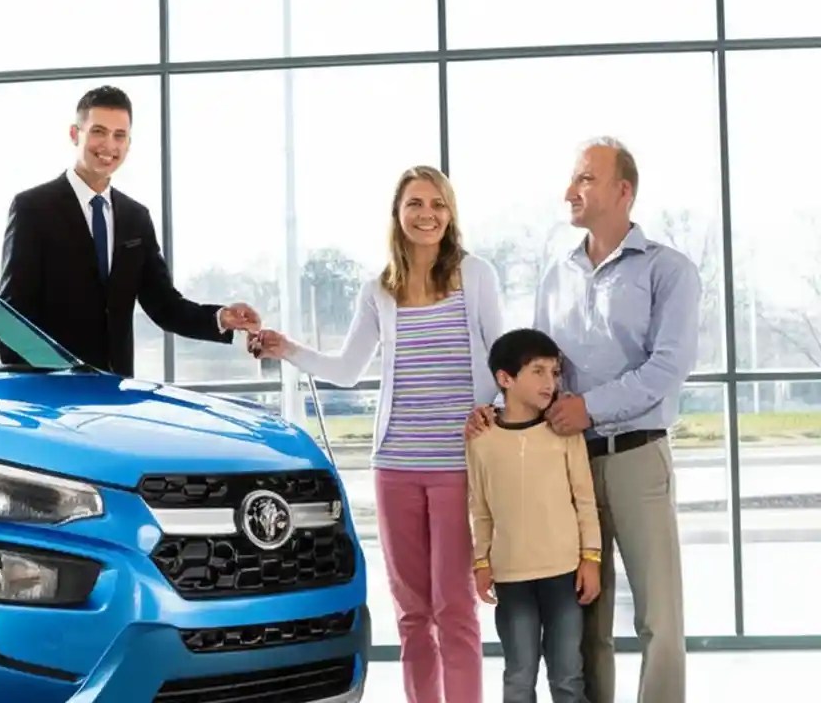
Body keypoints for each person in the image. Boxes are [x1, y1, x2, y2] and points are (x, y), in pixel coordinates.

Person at [251, 165, 505, 703]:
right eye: (415, 203)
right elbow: (347, 369)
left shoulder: (475, 275)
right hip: (395, 464)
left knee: (455, 607)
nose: (426, 214)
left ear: (450, 212)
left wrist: (495, 408)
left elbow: (500, 354)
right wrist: (284, 348)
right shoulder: (380, 290)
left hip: (459, 464)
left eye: (437, 204)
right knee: (412, 611)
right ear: (398, 213)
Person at [466, 137, 699, 703]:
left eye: (585, 180)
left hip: (637, 459)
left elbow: (667, 367)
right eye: (573, 179)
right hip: (565, 464)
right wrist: (497, 412)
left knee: (658, 619)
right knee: (587, 622)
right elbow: (543, 371)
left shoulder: (669, 271)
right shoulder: (556, 276)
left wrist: (589, 407)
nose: (571, 191)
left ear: (624, 191)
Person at [0, 85, 260, 377]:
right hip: (53, 396)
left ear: (128, 143)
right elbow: (12, 316)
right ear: (75, 134)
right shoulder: (32, 209)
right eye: (98, 131)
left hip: (117, 393)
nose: (109, 145)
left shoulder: (136, 218)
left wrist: (221, 317)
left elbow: (165, 305)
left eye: (119, 135)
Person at [467, 327, 601, 703]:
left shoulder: (564, 433)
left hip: (564, 575)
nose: (550, 381)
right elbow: (480, 507)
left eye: (555, 372)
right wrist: (481, 562)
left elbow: (585, 501)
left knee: (567, 677)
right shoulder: (481, 438)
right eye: (538, 371)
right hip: (511, 578)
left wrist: (591, 558)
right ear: (505, 379)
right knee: (519, 676)